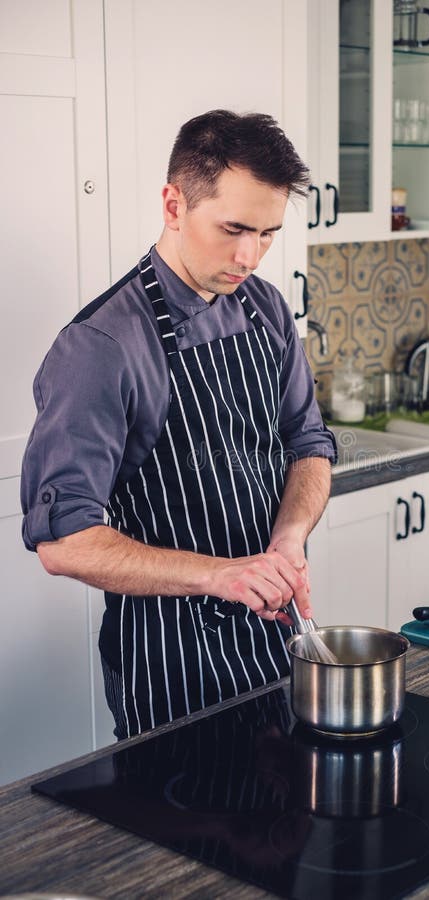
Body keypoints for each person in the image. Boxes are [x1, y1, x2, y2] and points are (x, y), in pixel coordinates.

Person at [21, 109, 336, 739]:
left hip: (274, 640)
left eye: (267, 233)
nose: (249, 256)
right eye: (233, 229)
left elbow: (308, 444)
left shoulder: (266, 308)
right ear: (173, 205)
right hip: (169, 665)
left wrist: (290, 538)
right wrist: (220, 575)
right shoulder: (100, 346)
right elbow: (64, 542)